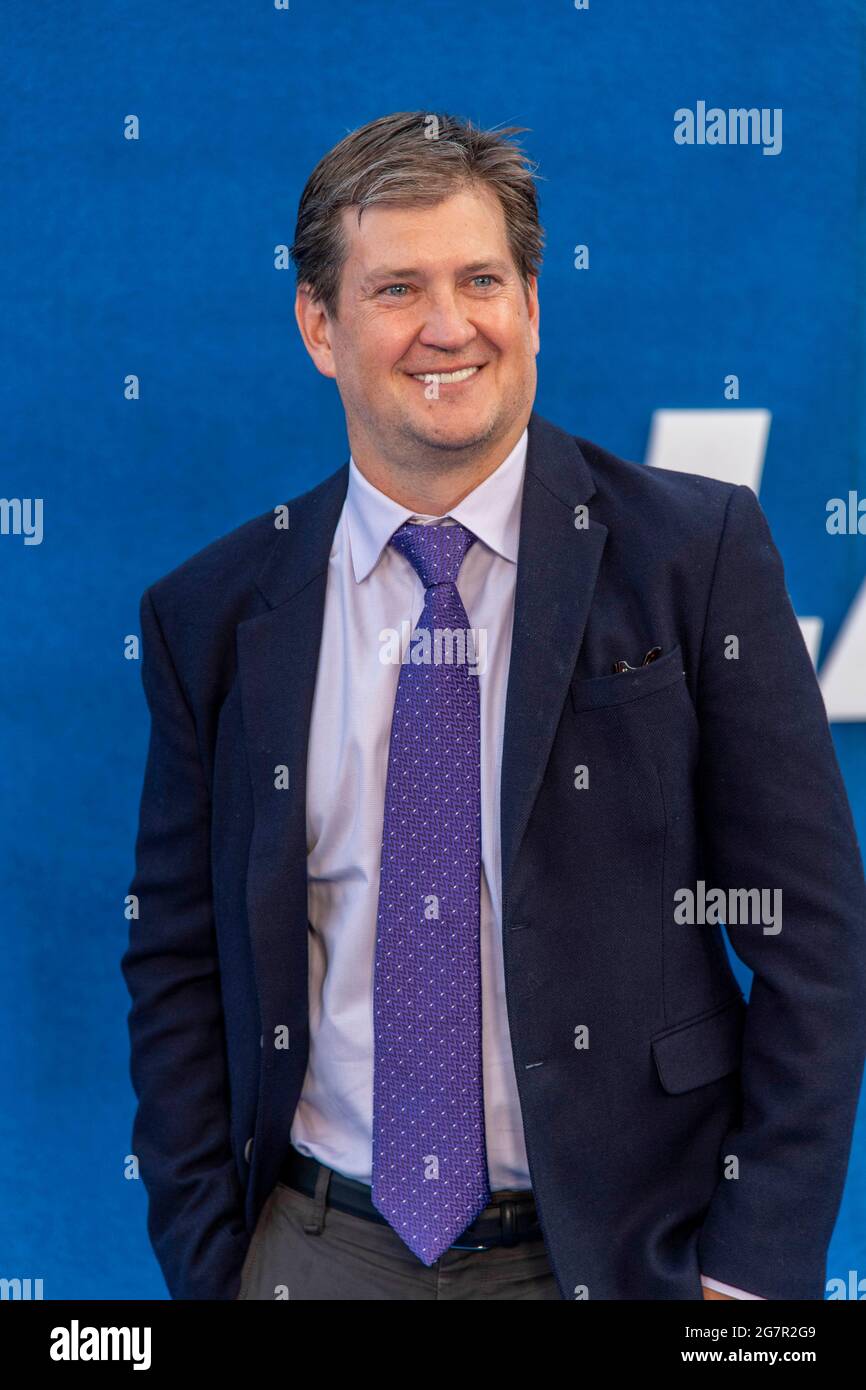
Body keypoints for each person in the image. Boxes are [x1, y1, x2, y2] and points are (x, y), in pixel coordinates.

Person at [121, 110, 866, 1301]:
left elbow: (815, 935)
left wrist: (751, 1273)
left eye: (480, 279)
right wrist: (214, 1263)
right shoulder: (211, 615)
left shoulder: (692, 554)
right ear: (318, 323)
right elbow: (174, 964)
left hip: (637, 1256)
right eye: (396, 288)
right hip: (321, 1250)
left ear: (532, 305)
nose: (445, 326)